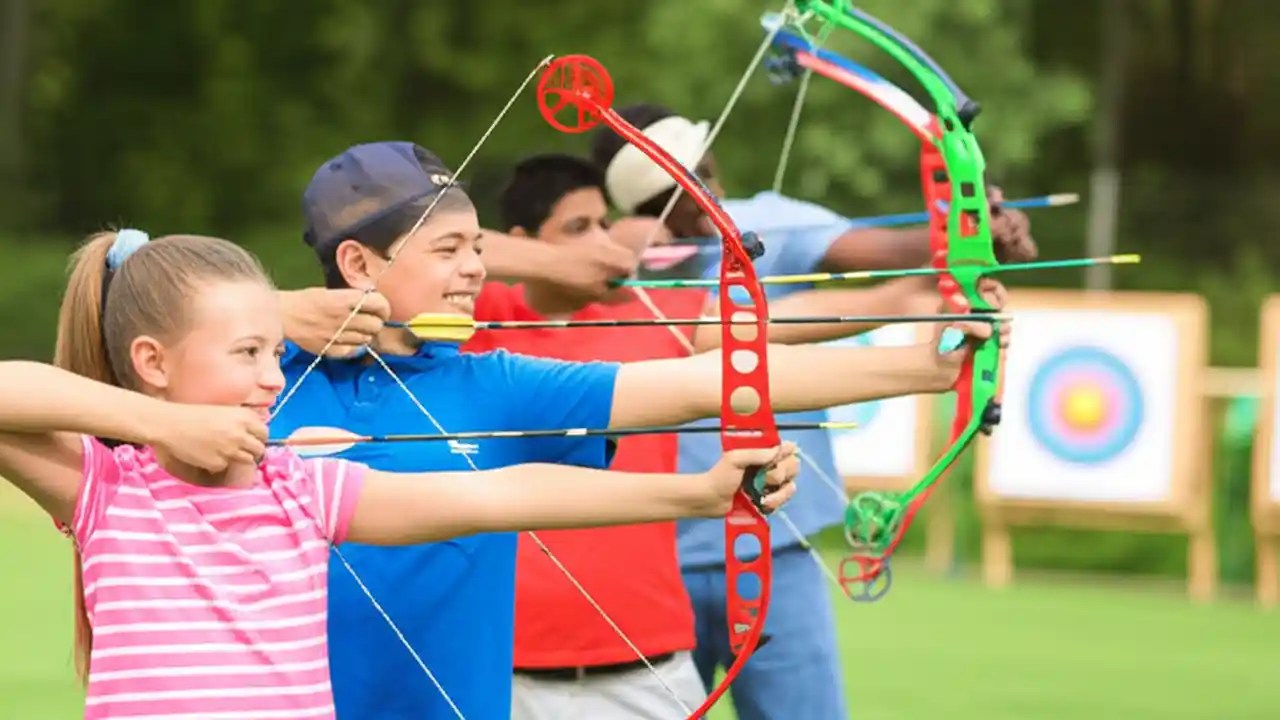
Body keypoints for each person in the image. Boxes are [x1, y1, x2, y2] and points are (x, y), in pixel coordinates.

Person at [273, 140, 1010, 719]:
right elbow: (159, 294)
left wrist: (932, 364)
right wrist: (273, 315)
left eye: (477, 248)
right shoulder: (259, 377)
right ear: (356, 263)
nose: (472, 268)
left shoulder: (491, 380)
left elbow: (704, 382)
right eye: (447, 250)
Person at [2, 229, 801, 719]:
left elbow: (500, 495)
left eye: (270, 353)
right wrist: (161, 424)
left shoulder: (299, 485)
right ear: (152, 363)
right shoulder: (111, 489)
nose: (273, 378)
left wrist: (697, 493)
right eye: (247, 354)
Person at [589, 103, 1037, 720]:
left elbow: (886, 248)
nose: (700, 206)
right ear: (632, 213)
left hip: (777, 550)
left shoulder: (766, 223)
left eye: (701, 181)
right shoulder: (603, 266)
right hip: (650, 560)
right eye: (668, 199)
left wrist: (963, 228)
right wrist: (619, 256)